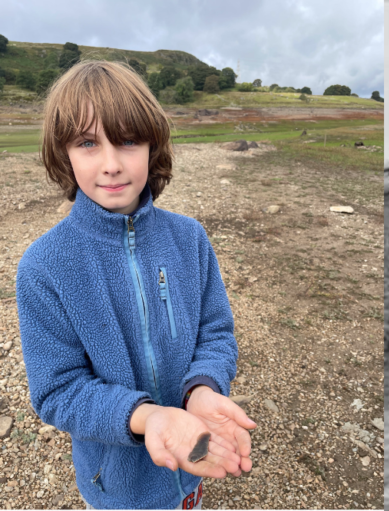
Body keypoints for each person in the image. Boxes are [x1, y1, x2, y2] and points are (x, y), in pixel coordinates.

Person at [16, 61, 255, 510]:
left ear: (152, 145)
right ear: (64, 153)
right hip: (116, 490)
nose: (111, 164)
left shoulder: (190, 239)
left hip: (193, 467)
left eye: (127, 140)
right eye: (88, 143)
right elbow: (57, 390)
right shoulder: (43, 268)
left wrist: (201, 389)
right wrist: (148, 417)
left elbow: (216, 333)